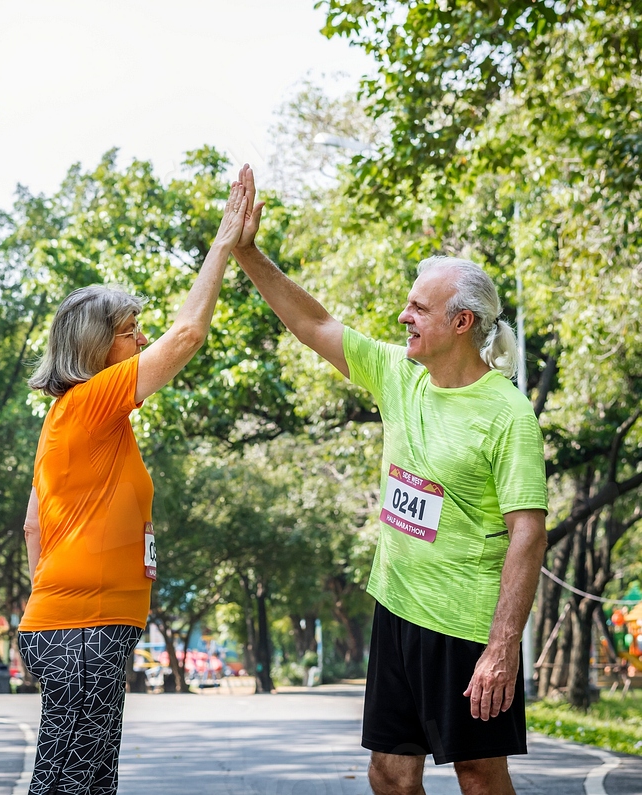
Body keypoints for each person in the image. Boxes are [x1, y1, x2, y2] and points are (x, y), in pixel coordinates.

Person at [231, 164, 548, 795]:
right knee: (390, 775)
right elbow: (313, 325)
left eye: (418, 308)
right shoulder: (399, 376)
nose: (403, 317)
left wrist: (502, 645)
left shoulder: (506, 412)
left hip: (467, 624)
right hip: (398, 612)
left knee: (479, 775)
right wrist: (246, 253)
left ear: (462, 323)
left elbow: (528, 533)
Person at [17, 179, 249, 795]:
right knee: (75, 786)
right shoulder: (88, 403)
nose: (142, 339)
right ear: (96, 346)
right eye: (129, 330)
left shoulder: (80, 420)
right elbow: (188, 336)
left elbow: (34, 526)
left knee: (84, 782)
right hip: (81, 631)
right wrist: (224, 244)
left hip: (81, 629)